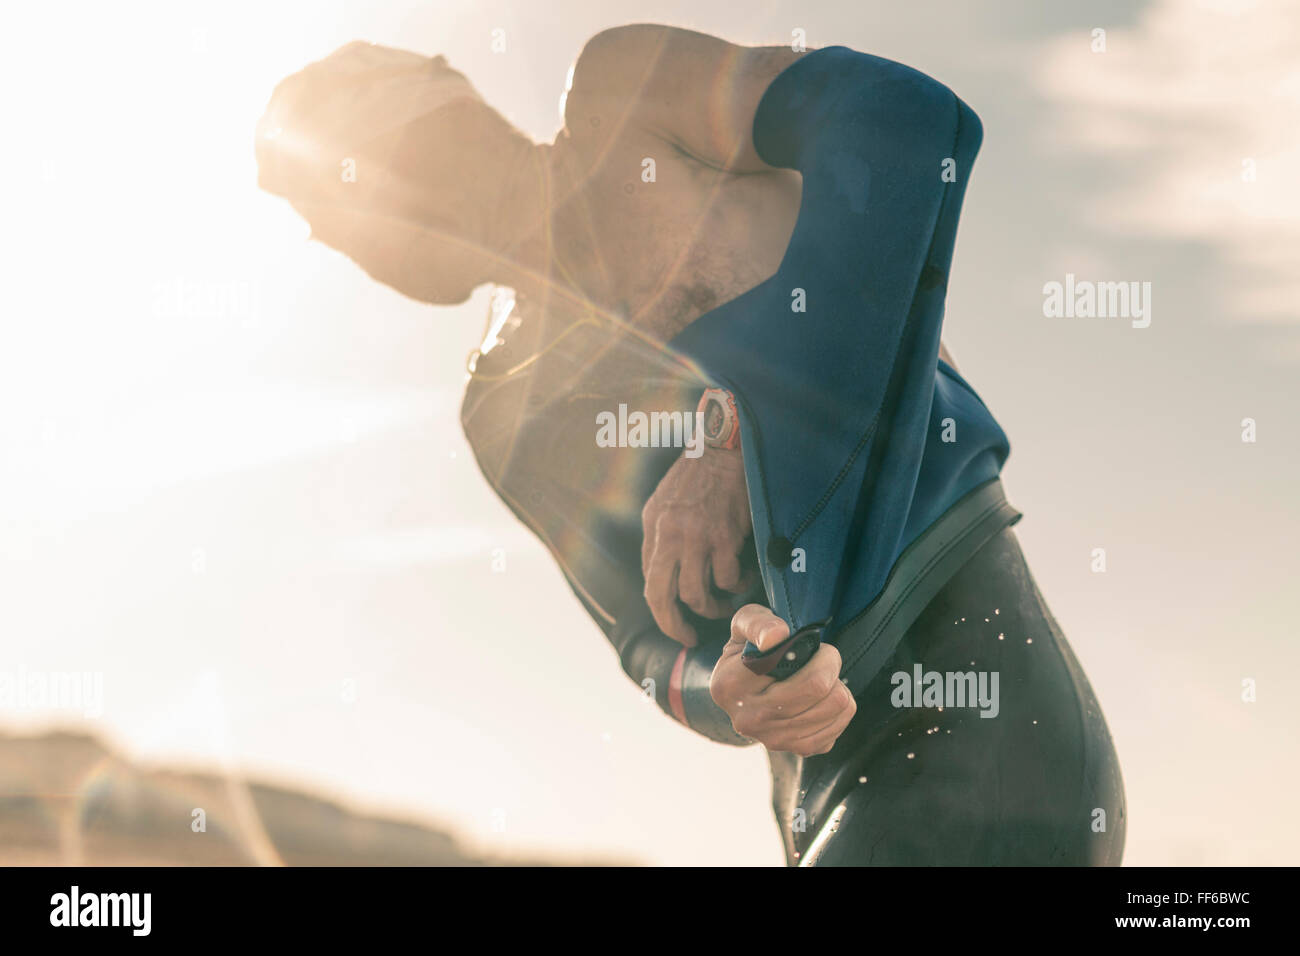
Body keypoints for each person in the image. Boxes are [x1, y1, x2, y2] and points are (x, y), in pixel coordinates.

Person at [256, 24, 1126, 865]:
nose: (352, 248)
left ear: (426, 128)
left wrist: (740, 442)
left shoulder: (630, 100)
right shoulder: (500, 407)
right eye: (326, 233)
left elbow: (905, 122)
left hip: (976, 702)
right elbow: (646, 647)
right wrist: (731, 693)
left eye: (340, 200)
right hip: (807, 788)